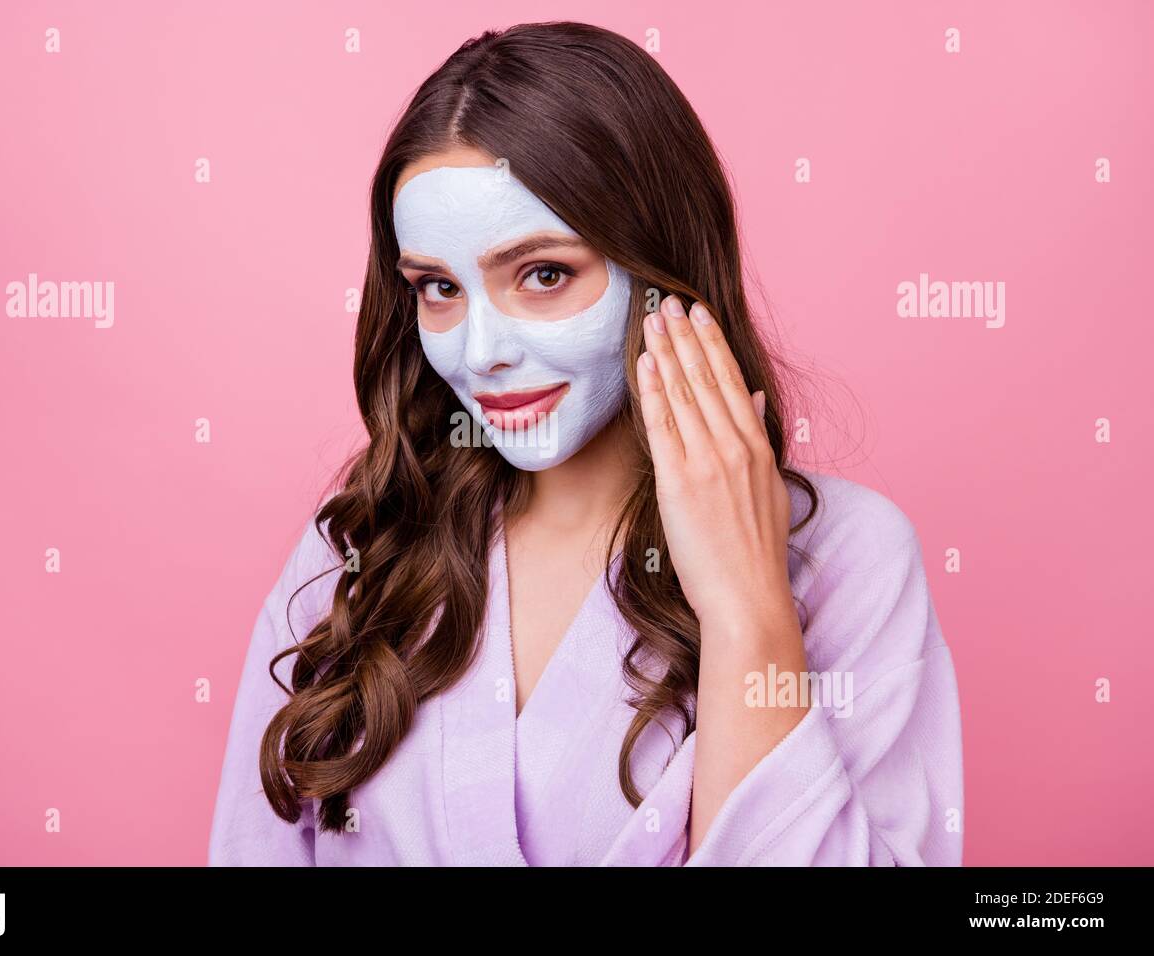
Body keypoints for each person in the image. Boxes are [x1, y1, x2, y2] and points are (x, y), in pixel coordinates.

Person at [209, 20, 963, 866]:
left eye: (544, 274)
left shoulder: (852, 560)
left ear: (661, 264)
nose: (480, 347)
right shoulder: (355, 552)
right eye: (439, 288)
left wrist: (749, 610)